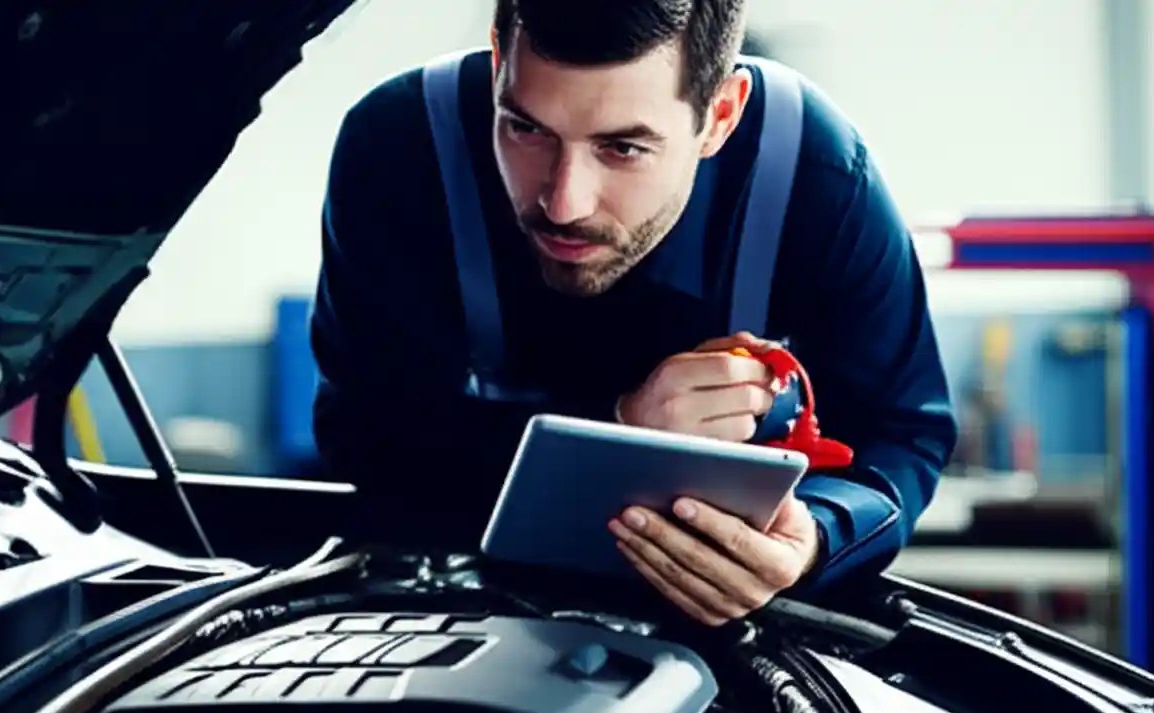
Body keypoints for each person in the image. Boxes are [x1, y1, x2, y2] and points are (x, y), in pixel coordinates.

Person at [309, 0, 957, 626]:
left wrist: (810, 536)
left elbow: (903, 432)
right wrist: (622, 430)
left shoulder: (817, 174)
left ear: (720, 115)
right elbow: (366, 436)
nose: (564, 203)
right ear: (499, 58)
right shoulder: (399, 147)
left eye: (622, 148)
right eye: (526, 128)